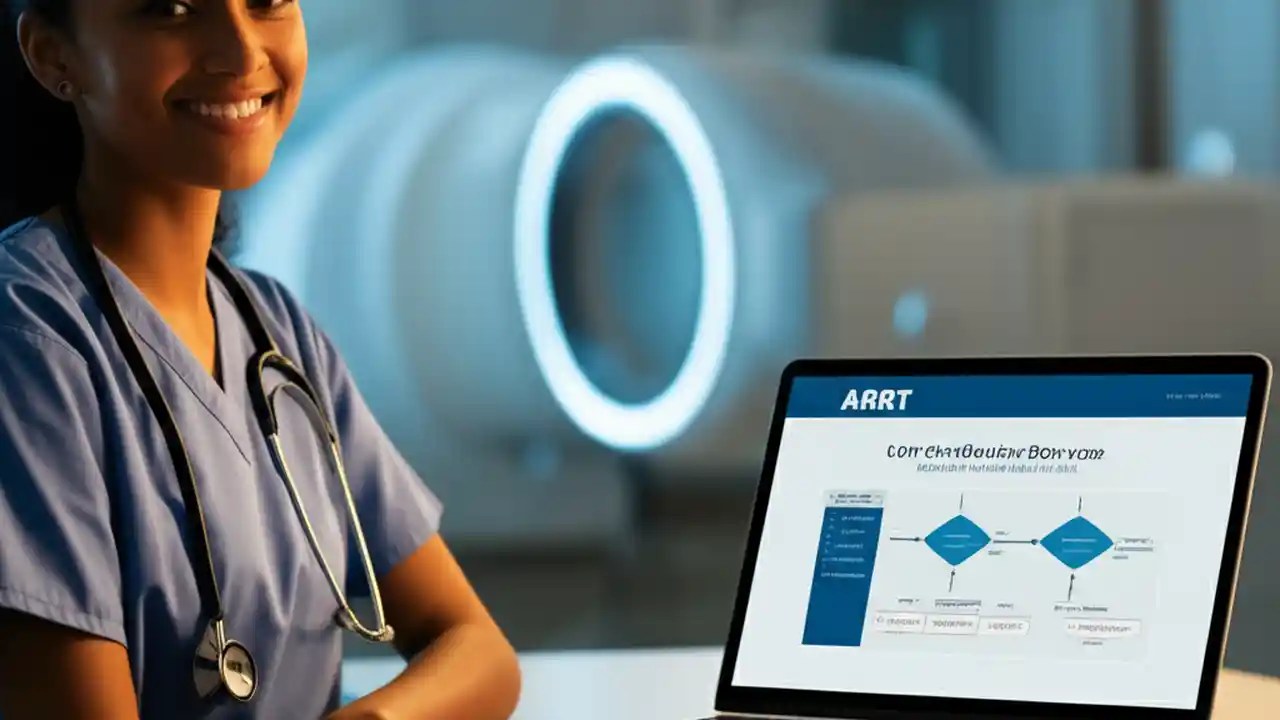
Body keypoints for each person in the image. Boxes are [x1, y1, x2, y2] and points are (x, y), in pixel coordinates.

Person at [0, 1, 522, 718]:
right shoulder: (27, 337)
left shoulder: (277, 333)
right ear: (55, 57)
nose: (242, 51)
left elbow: (479, 652)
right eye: (172, 9)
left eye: (268, 1)